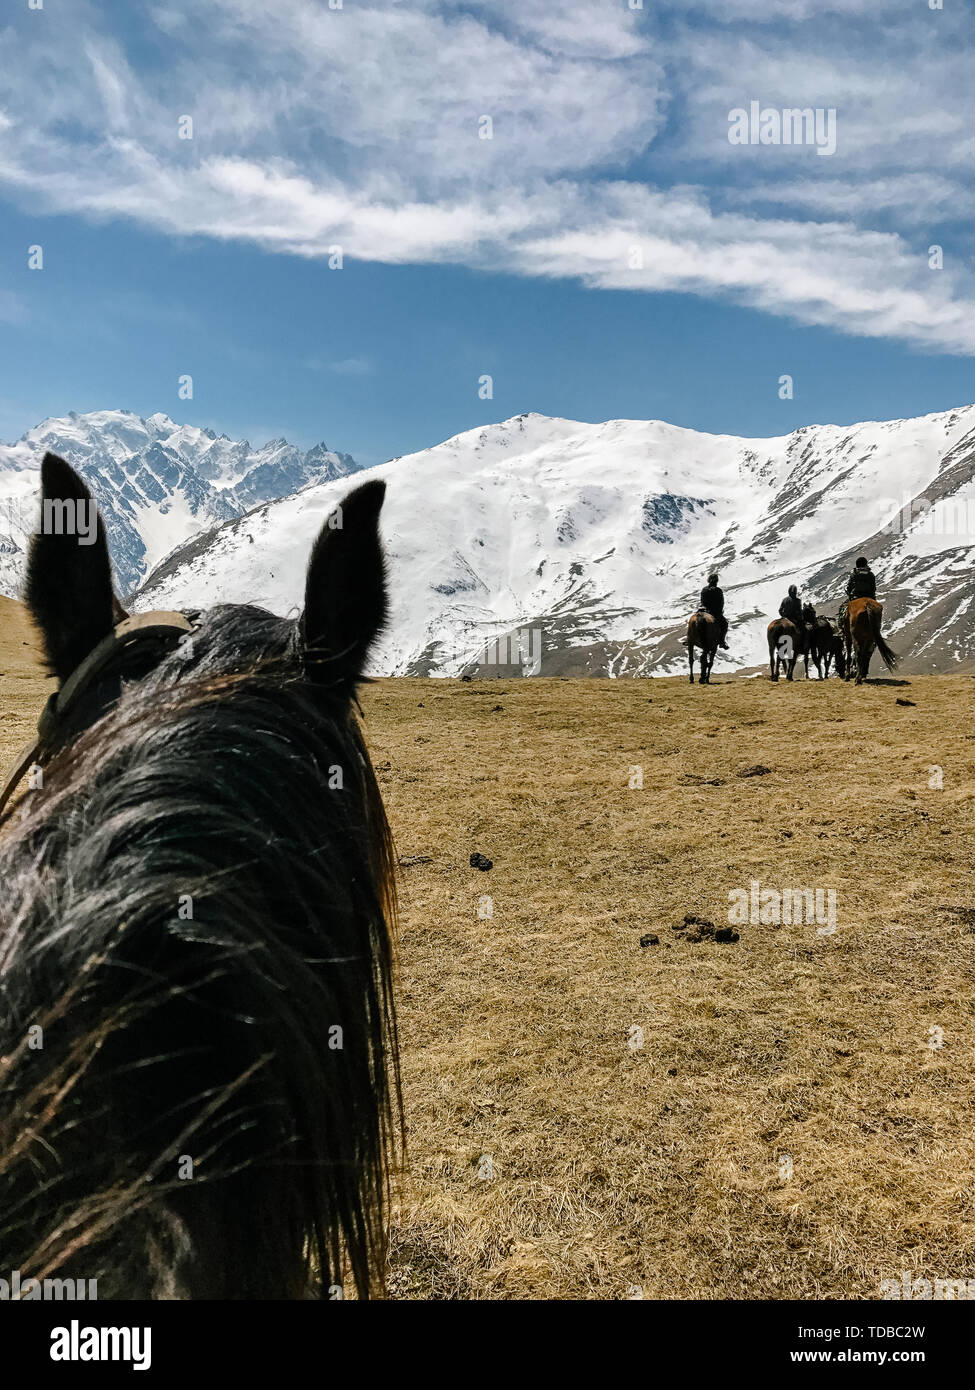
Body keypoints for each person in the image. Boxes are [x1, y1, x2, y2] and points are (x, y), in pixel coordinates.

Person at [699, 573, 729, 649]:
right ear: (716, 581)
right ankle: (722, 642)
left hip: (704, 611)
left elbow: (702, 601)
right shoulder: (718, 590)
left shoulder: (704, 589)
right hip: (714, 612)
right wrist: (720, 611)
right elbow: (721, 603)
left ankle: (689, 638)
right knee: (724, 624)